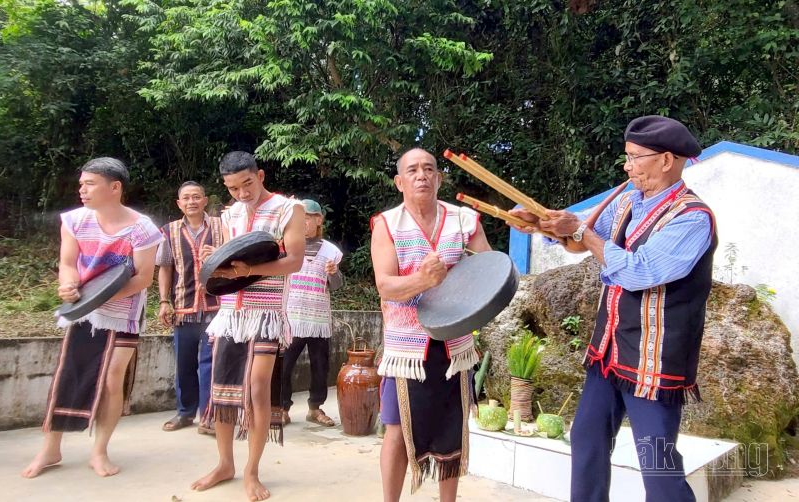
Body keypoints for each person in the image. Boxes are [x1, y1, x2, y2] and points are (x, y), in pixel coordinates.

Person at [511, 116, 716, 502]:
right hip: (611, 350)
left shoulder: (692, 218)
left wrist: (583, 233)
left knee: (657, 466)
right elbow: (579, 240)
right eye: (627, 157)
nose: (627, 166)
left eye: (635, 157)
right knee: (586, 439)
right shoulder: (627, 200)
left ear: (667, 159)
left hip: (654, 362)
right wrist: (542, 223)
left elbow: (640, 271)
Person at [22, 157, 162, 478]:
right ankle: (51, 448)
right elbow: (68, 262)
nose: (81, 189)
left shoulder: (143, 229)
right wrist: (67, 283)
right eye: (82, 183)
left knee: (113, 380)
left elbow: (142, 279)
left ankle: (99, 451)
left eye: (89, 184)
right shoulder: (74, 220)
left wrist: (97, 297)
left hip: (124, 313)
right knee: (68, 374)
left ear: (115, 188)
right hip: (83, 311)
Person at [370, 148, 491, 502]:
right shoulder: (387, 224)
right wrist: (423, 280)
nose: (421, 175)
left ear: (439, 178)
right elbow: (386, 285)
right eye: (412, 170)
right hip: (406, 347)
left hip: (455, 344)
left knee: (453, 426)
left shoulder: (464, 220)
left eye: (429, 169)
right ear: (399, 182)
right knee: (396, 428)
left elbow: (488, 271)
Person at [192, 151, 304, 501]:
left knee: (257, 388)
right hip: (230, 314)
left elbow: (294, 261)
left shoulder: (289, 209)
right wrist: (214, 264)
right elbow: (226, 265)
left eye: (247, 184)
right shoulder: (229, 214)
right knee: (222, 391)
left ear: (261, 175)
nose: (241, 193)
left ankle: (252, 471)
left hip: (267, 312)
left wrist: (248, 272)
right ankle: (225, 464)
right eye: (232, 187)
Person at [157, 181, 223, 434]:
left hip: (215, 307)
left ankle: (208, 417)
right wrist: (164, 301)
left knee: (210, 363)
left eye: (197, 196)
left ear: (205, 200)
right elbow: (165, 267)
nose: (192, 201)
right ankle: (185, 413)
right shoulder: (169, 231)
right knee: (184, 364)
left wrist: (218, 253)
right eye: (186, 198)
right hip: (183, 308)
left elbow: (235, 258)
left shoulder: (221, 227)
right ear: (179, 203)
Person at [281, 199, 344, 427]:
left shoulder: (331, 252)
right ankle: (282, 408)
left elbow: (336, 285)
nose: (303, 222)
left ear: (319, 220)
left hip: (318, 319)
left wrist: (333, 273)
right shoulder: (287, 247)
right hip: (291, 318)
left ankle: (315, 408)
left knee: (320, 366)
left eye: (308, 217)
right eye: (299, 218)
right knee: (284, 365)